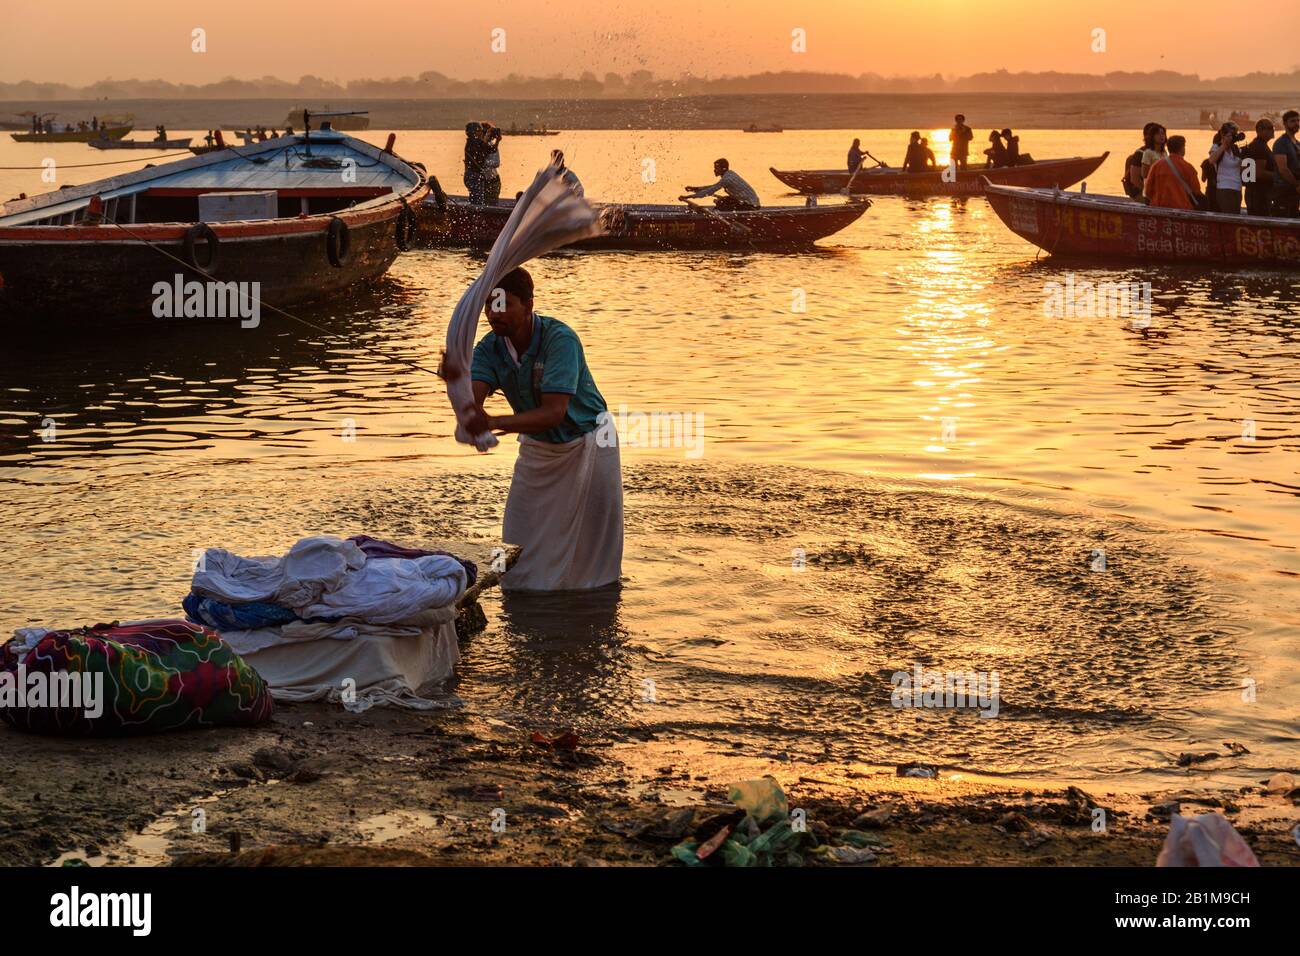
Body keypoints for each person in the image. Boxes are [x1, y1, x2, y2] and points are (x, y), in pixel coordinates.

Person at [465, 267, 623, 592]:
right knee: (518, 534)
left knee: (593, 549)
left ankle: (588, 608)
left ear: (529, 304)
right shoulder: (488, 348)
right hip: (538, 448)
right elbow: (472, 402)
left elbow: (553, 412)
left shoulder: (559, 339)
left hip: (590, 441)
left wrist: (494, 422)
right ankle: (520, 600)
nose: (495, 314)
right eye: (489, 305)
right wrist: (457, 384)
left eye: (504, 304)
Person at [1144, 135, 1204, 209]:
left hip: (1158, 208)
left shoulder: (1156, 166)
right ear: (1182, 148)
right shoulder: (1188, 167)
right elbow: (1196, 190)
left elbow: (1148, 191)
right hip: (1181, 208)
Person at [680, 158, 760, 210]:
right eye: (714, 168)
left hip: (752, 207)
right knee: (725, 200)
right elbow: (713, 187)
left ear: (723, 169)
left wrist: (688, 197)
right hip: (749, 203)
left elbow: (710, 191)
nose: (714, 170)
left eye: (716, 168)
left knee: (721, 203)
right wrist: (695, 189)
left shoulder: (727, 179)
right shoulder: (729, 174)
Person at [1206, 121, 1245, 214]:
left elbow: (1242, 169)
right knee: (1228, 215)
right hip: (1224, 187)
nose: (1233, 137)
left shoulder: (1236, 149)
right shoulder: (1216, 147)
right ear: (1222, 134)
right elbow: (1211, 160)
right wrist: (1224, 145)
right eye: (1230, 134)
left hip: (1237, 187)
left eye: (1234, 134)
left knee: (1236, 215)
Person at [1243, 119, 1276, 216]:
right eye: (1270, 128)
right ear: (1260, 130)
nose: (1273, 130)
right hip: (1259, 193)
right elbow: (1259, 172)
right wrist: (1278, 176)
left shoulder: (1257, 145)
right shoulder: (1259, 147)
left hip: (1255, 192)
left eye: (1273, 128)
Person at [1270, 109, 1300, 218]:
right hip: (1283, 191)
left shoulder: (1297, 144)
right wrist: (1296, 184)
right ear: (1285, 123)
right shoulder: (1281, 143)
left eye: (1298, 120)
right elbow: (1283, 169)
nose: (1296, 123)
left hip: (1294, 192)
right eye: (1292, 121)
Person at [464, 121, 489, 204]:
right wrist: (497, 141)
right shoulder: (475, 142)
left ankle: (472, 214)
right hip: (474, 175)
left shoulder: (471, 142)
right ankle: (476, 215)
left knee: (475, 200)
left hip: (470, 174)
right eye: (480, 131)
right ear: (474, 132)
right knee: (478, 202)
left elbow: (488, 149)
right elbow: (490, 149)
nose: (482, 133)